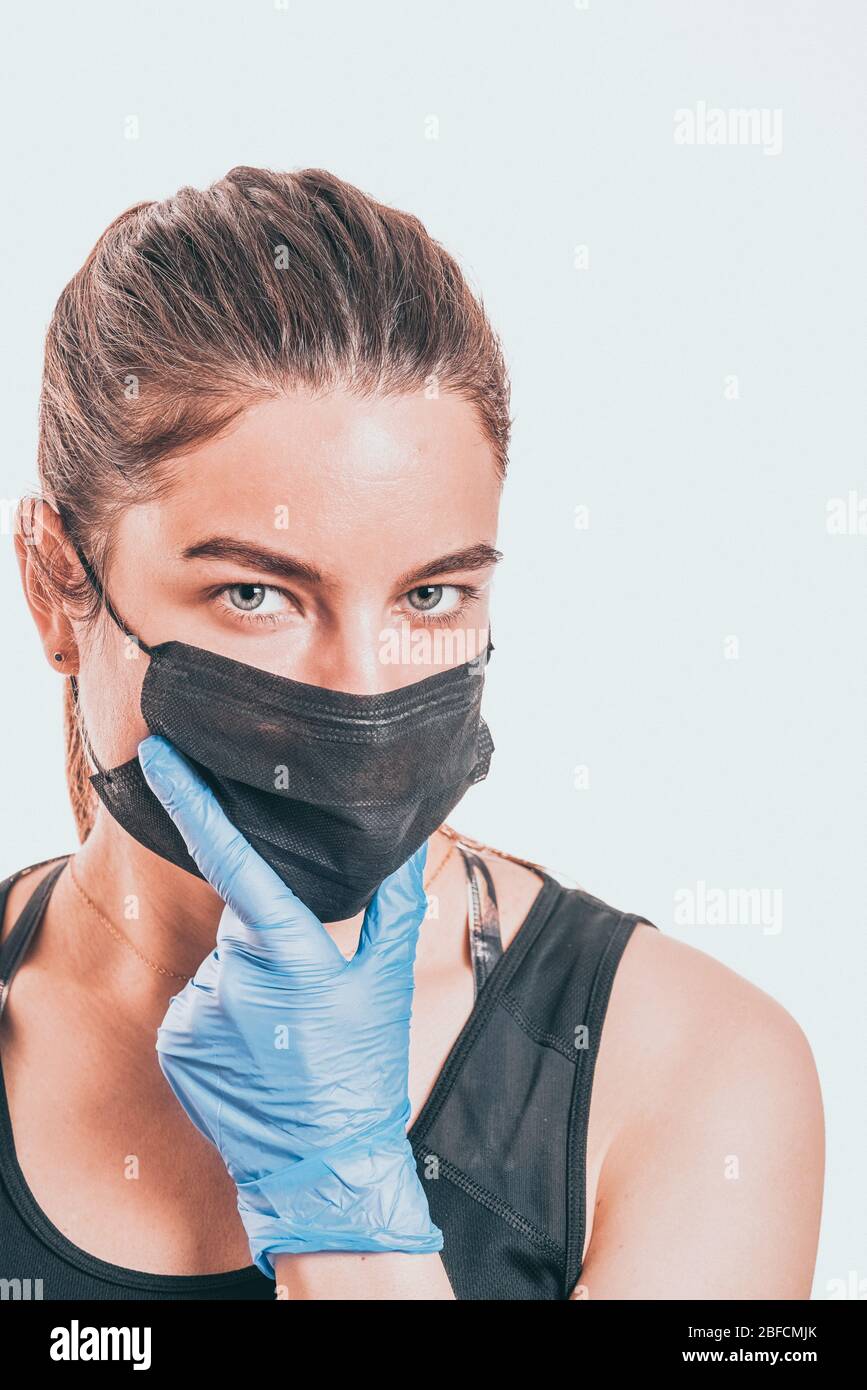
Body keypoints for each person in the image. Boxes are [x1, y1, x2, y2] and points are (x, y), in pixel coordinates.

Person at [0, 166, 823, 1301]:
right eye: (256, 594)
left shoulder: (696, 1070)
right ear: (57, 590)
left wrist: (344, 1205)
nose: (364, 691)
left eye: (429, 597)